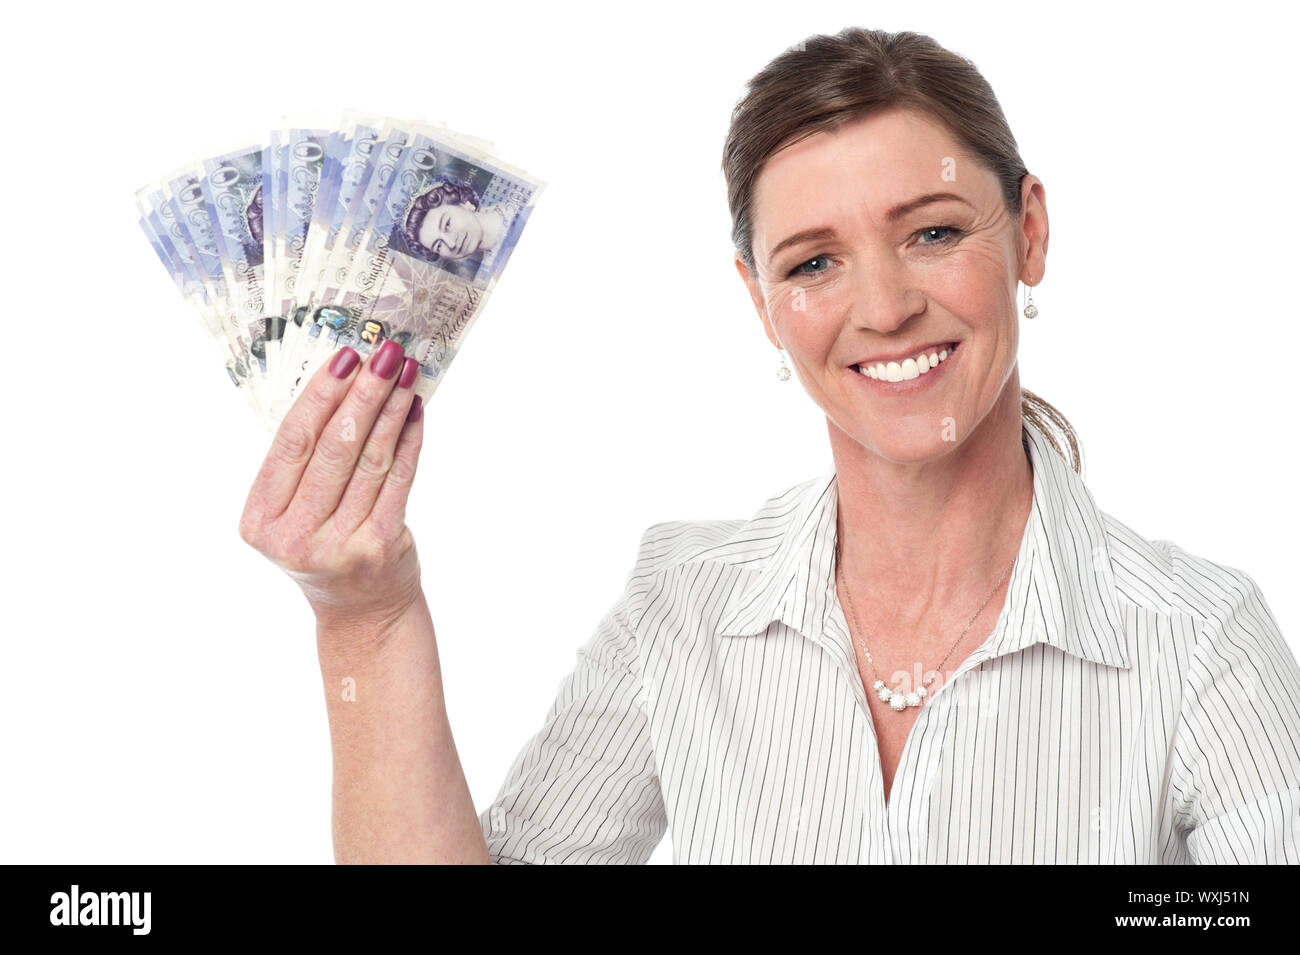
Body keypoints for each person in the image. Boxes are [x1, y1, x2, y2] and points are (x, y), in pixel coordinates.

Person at [238, 27, 1300, 863]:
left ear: (1027, 230)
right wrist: (364, 621)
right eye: (811, 263)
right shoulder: (684, 604)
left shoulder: (1197, 644)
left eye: (932, 231)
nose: (882, 307)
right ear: (758, 300)